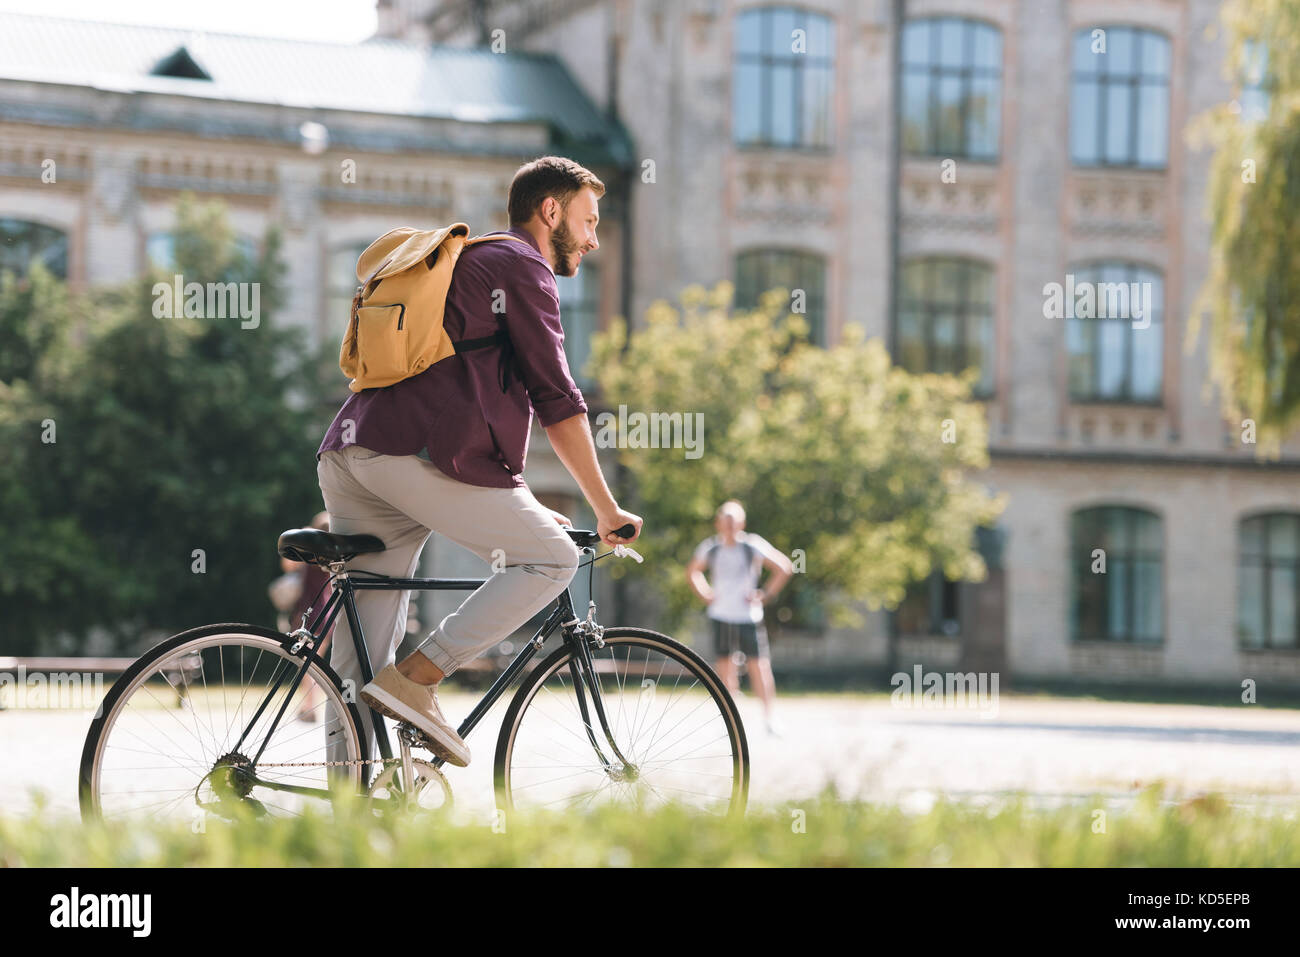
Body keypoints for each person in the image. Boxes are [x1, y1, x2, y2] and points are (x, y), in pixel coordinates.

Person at [315, 156, 642, 769]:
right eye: (589, 219)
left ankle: (349, 813)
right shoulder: (523, 266)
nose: (595, 238)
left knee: (356, 662)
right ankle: (419, 677)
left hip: (352, 448)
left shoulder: (469, 258)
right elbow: (558, 399)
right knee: (552, 556)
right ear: (551, 211)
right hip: (414, 456)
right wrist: (605, 508)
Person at [686, 500, 793, 736]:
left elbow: (784, 567)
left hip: (748, 617)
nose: (730, 526)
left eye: (734, 521)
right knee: (725, 668)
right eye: (726, 521)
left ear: (742, 523)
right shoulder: (711, 548)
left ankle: (770, 717)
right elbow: (693, 571)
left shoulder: (752, 545)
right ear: (718, 523)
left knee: (759, 666)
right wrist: (705, 592)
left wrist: (765, 594)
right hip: (721, 614)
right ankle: (731, 721)